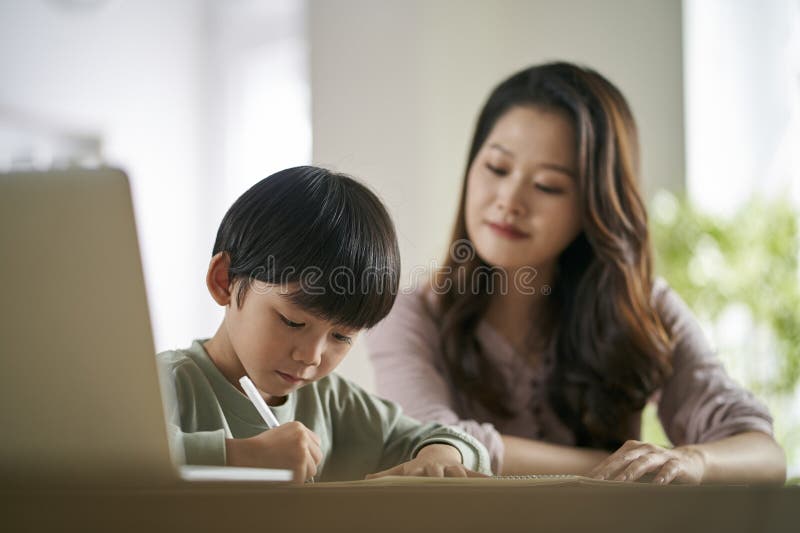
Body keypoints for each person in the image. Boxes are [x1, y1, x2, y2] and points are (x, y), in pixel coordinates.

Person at [366, 62, 786, 484]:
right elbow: (434, 444)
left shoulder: (642, 308)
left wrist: (694, 460)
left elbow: (762, 453)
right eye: (497, 168)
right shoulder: (407, 313)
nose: (509, 200)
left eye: (548, 185)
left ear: (594, 204)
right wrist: (622, 466)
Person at [157, 166, 491, 483]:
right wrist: (242, 456)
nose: (311, 356)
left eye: (341, 336)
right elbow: (126, 458)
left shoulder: (333, 403)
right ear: (225, 280)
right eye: (292, 322)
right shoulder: (165, 385)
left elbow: (451, 441)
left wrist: (441, 457)